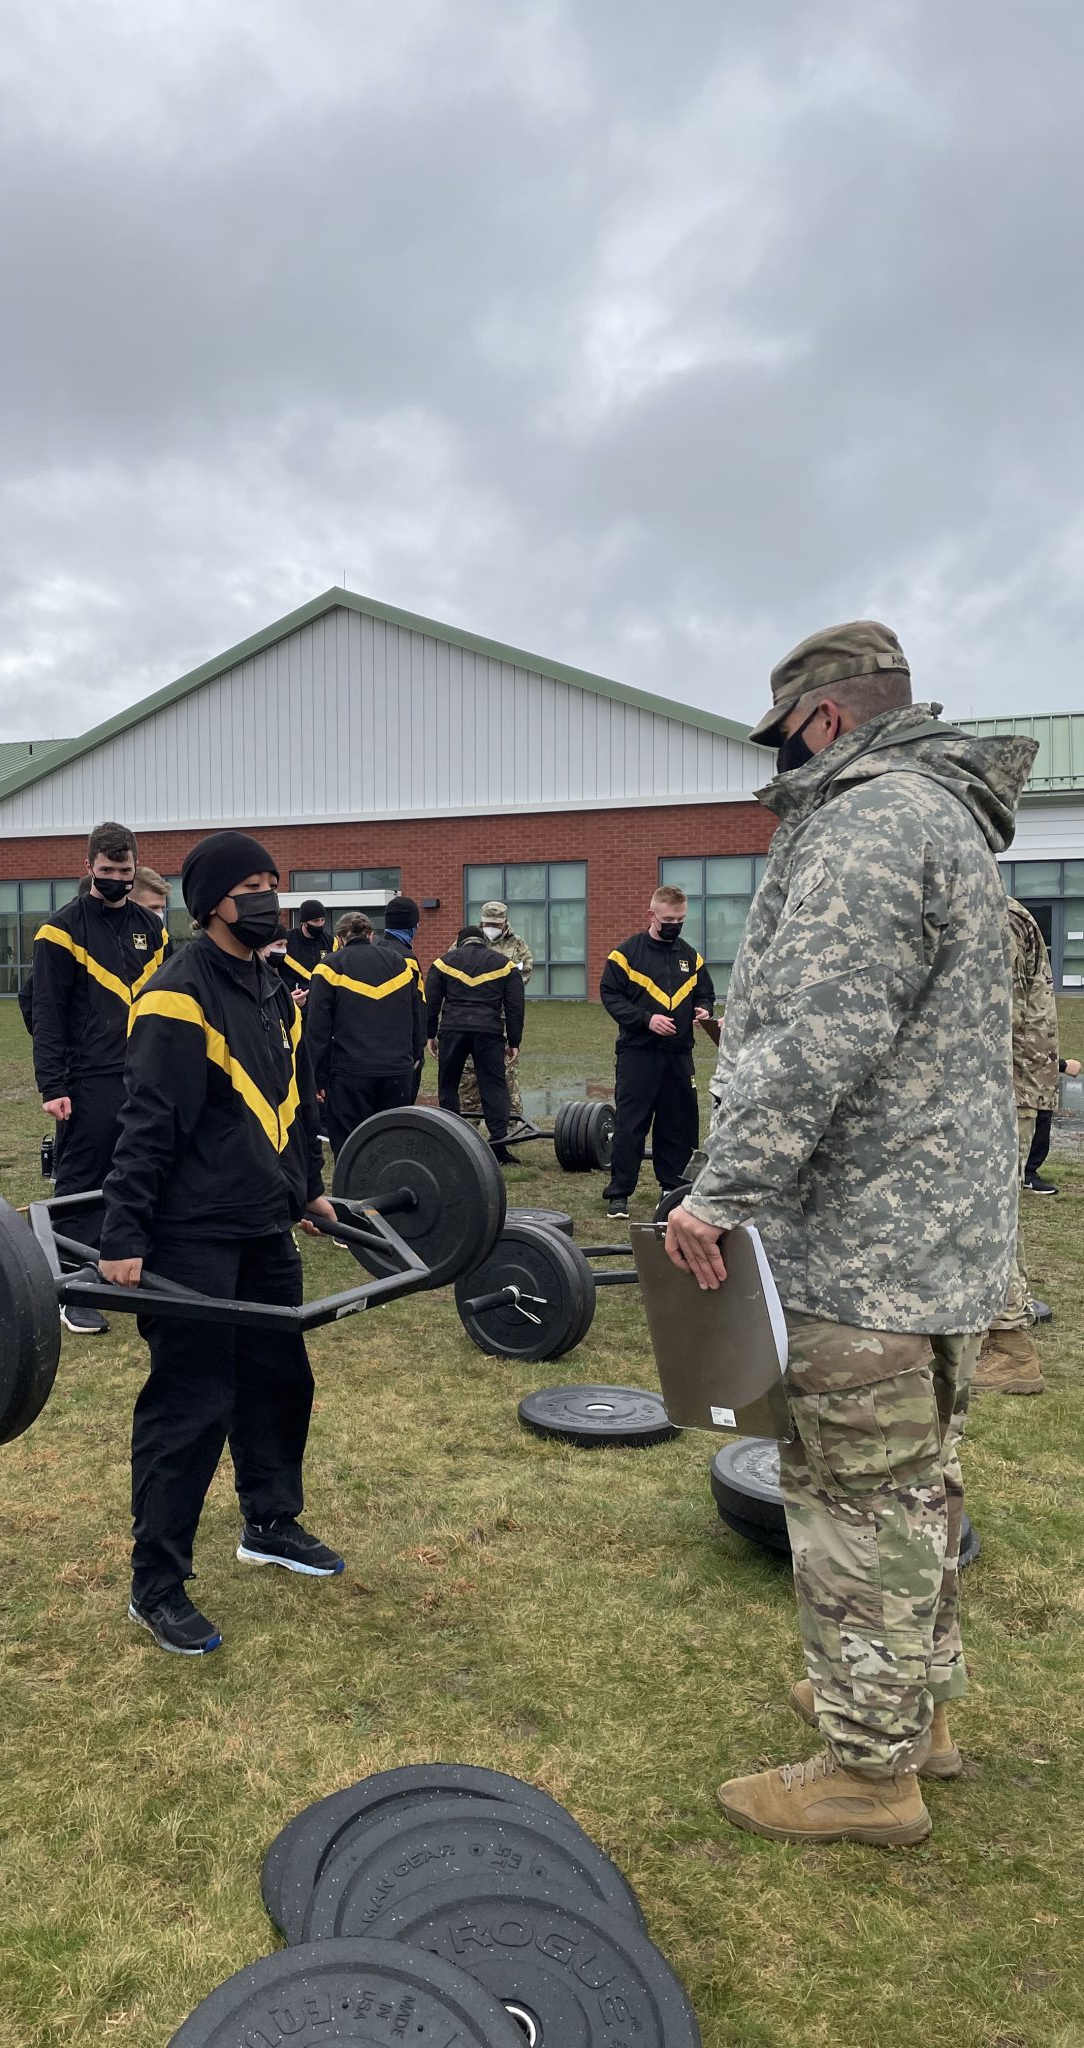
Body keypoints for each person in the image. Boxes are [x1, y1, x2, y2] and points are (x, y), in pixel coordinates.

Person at [663, 620, 1035, 1847]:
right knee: (914, 1485)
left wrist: (719, 1191)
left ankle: (867, 1775)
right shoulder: (945, 822)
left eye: (782, 744)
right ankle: (911, 1708)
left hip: (865, 1250)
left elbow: (813, 1041)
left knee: (853, 1498)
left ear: (822, 721)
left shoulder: (870, 822)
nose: (777, 774)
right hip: (934, 1246)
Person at [96, 831, 342, 1656]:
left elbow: (295, 1101)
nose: (269, 896)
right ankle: (155, 1584)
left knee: (279, 1380)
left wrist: (307, 1187)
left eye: (275, 879)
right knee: (191, 1405)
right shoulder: (176, 995)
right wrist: (124, 1234)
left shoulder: (275, 985)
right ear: (211, 906)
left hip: (262, 1223)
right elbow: (147, 1124)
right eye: (251, 886)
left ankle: (270, 1523)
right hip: (190, 1233)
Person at [28, 821, 167, 1336]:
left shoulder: (153, 930)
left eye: (125, 871)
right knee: (81, 1184)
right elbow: (46, 1012)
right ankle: (72, 1289)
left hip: (145, 1073)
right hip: (87, 1079)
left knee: (143, 1170)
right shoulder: (59, 931)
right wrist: (53, 1086)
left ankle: (133, 1264)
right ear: (88, 868)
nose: (117, 879)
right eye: (107, 871)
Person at [974, 899, 1061, 1396]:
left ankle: (1009, 1348)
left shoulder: (993, 913)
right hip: (991, 1088)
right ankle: (993, 1331)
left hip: (1001, 1088)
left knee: (989, 1212)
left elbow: (984, 1010)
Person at [599, 885, 715, 1220]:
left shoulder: (691, 957)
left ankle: (673, 1188)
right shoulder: (625, 955)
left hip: (679, 1055)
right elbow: (610, 996)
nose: (674, 925)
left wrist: (703, 1009)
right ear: (651, 915)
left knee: (678, 1124)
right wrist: (646, 1019)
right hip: (638, 1053)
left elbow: (705, 993)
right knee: (631, 1124)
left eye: (680, 920)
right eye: (668, 919)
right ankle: (619, 1193)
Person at [305, 912, 426, 1158]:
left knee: (352, 1148)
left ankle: (355, 1193)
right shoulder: (400, 963)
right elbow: (416, 1013)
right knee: (394, 1141)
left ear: (339, 938)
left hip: (351, 1073)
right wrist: (414, 1054)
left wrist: (316, 1078)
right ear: (370, 935)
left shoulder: (329, 967)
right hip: (396, 1070)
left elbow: (318, 1029)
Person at [425, 925, 525, 1164]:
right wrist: (514, 1041)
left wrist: (430, 1035)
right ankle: (498, 1144)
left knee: (448, 1084)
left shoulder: (443, 963)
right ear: (483, 942)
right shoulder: (504, 965)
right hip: (488, 1032)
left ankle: (452, 1143)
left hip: (453, 1030)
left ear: (460, 943)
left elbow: (431, 1002)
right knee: (494, 1085)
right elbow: (515, 1006)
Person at [458, 899, 534, 1131]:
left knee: (505, 1074)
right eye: (487, 923)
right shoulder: (466, 943)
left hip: (499, 1021)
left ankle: (511, 1127)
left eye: (495, 924)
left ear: (505, 923)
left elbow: (522, 976)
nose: (491, 928)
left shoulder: (517, 945)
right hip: (469, 1018)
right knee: (469, 1075)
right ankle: (467, 1124)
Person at [374, 895, 426, 1100]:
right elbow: (419, 1006)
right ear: (412, 926)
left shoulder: (373, 950)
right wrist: (418, 1050)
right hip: (400, 1050)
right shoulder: (407, 959)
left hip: (370, 1049)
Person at [1024, 1054, 1081, 1194]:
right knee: (1032, 1121)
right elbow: (1027, 1049)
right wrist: (1062, 1065)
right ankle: (1026, 1175)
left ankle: (1027, 1173)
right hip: (1028, 1085)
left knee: (1042, 1117)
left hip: (1039, 1083)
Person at [279, 899, 331, 1002]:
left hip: (322, 1004)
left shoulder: (331, 942)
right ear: (304, 922)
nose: (320, 924)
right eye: (316, 921)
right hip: (294, 1003)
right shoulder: (286, 941)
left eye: (322, 920)